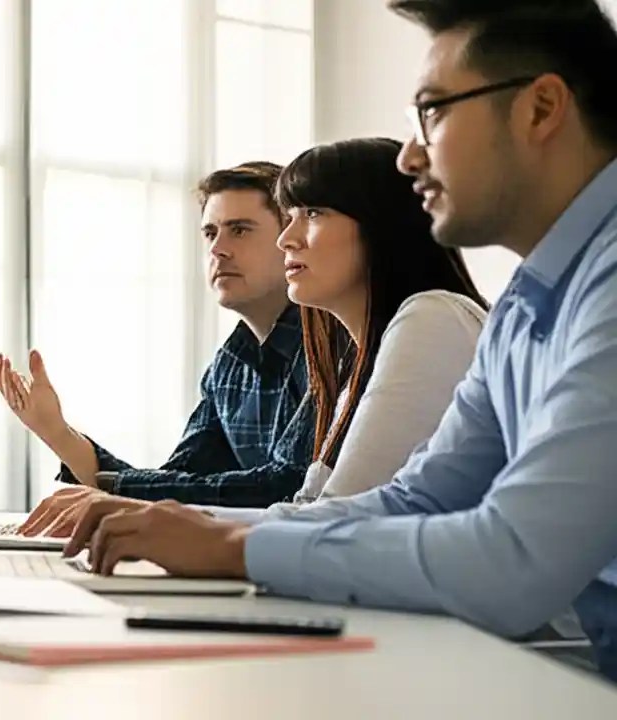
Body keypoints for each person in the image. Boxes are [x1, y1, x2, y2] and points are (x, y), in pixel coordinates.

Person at [67, 0, 617, 683]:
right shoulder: (522, 310)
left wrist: (235, 549)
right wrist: (200, 528)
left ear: (540, 109)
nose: (412, 154)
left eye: (434, 112)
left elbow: (513, 557)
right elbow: (415, 499)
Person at [32, 137, 489, 535]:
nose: (288, 238)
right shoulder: (348, 361)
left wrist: (132, 506)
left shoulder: (428, 319)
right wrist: (124, 504)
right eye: (289, 216)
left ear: (381, 225)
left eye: (311, 213)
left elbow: (327, 520)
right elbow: (305, 510)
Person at [0, 161, 315, 528]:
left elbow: (284, 488)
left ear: (290, 239)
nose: (218, 249)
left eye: (239, 230)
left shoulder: (326, 350)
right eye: (210, 233)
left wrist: (110, 495)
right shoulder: (228, 364)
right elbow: (177, 483)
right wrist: (58, 433)